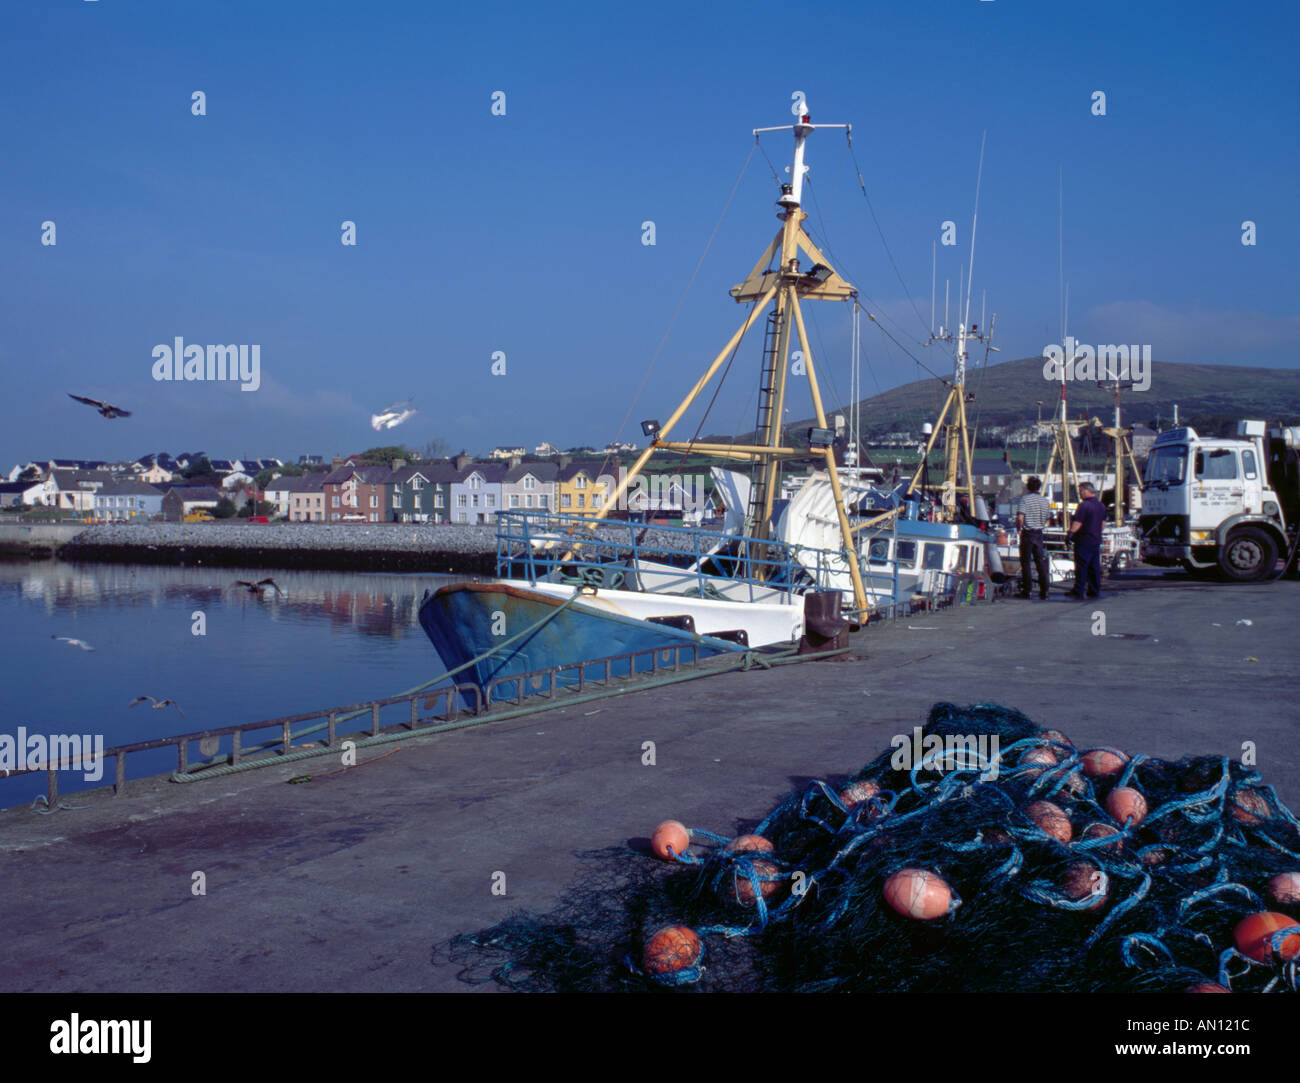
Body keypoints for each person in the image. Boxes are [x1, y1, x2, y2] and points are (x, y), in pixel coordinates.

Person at [1067, 482, 1106, 598]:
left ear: (1085, 490)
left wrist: (1070, 534)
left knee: (1082, 566)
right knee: (1094, 566)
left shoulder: (1084, 505)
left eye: (1081, 491)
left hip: (1083, 539)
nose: (1080, 494)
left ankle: (1079, 590)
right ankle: (1094, 589)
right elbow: (1103, 524)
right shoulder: (1101, 505)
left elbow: (1078, 522)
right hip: (1095, 538)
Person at [1015, 477, 1051, 599]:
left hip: (1028, 533)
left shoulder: (1025, 499)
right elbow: (1047, 517)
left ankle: (1027, 590)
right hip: (1039, 533)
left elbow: (1020, 518)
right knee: (1040, 562)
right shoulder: (1045, 501)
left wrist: (1019, 528)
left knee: (1025, 563)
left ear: (1028, 487)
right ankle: (1045, 591)